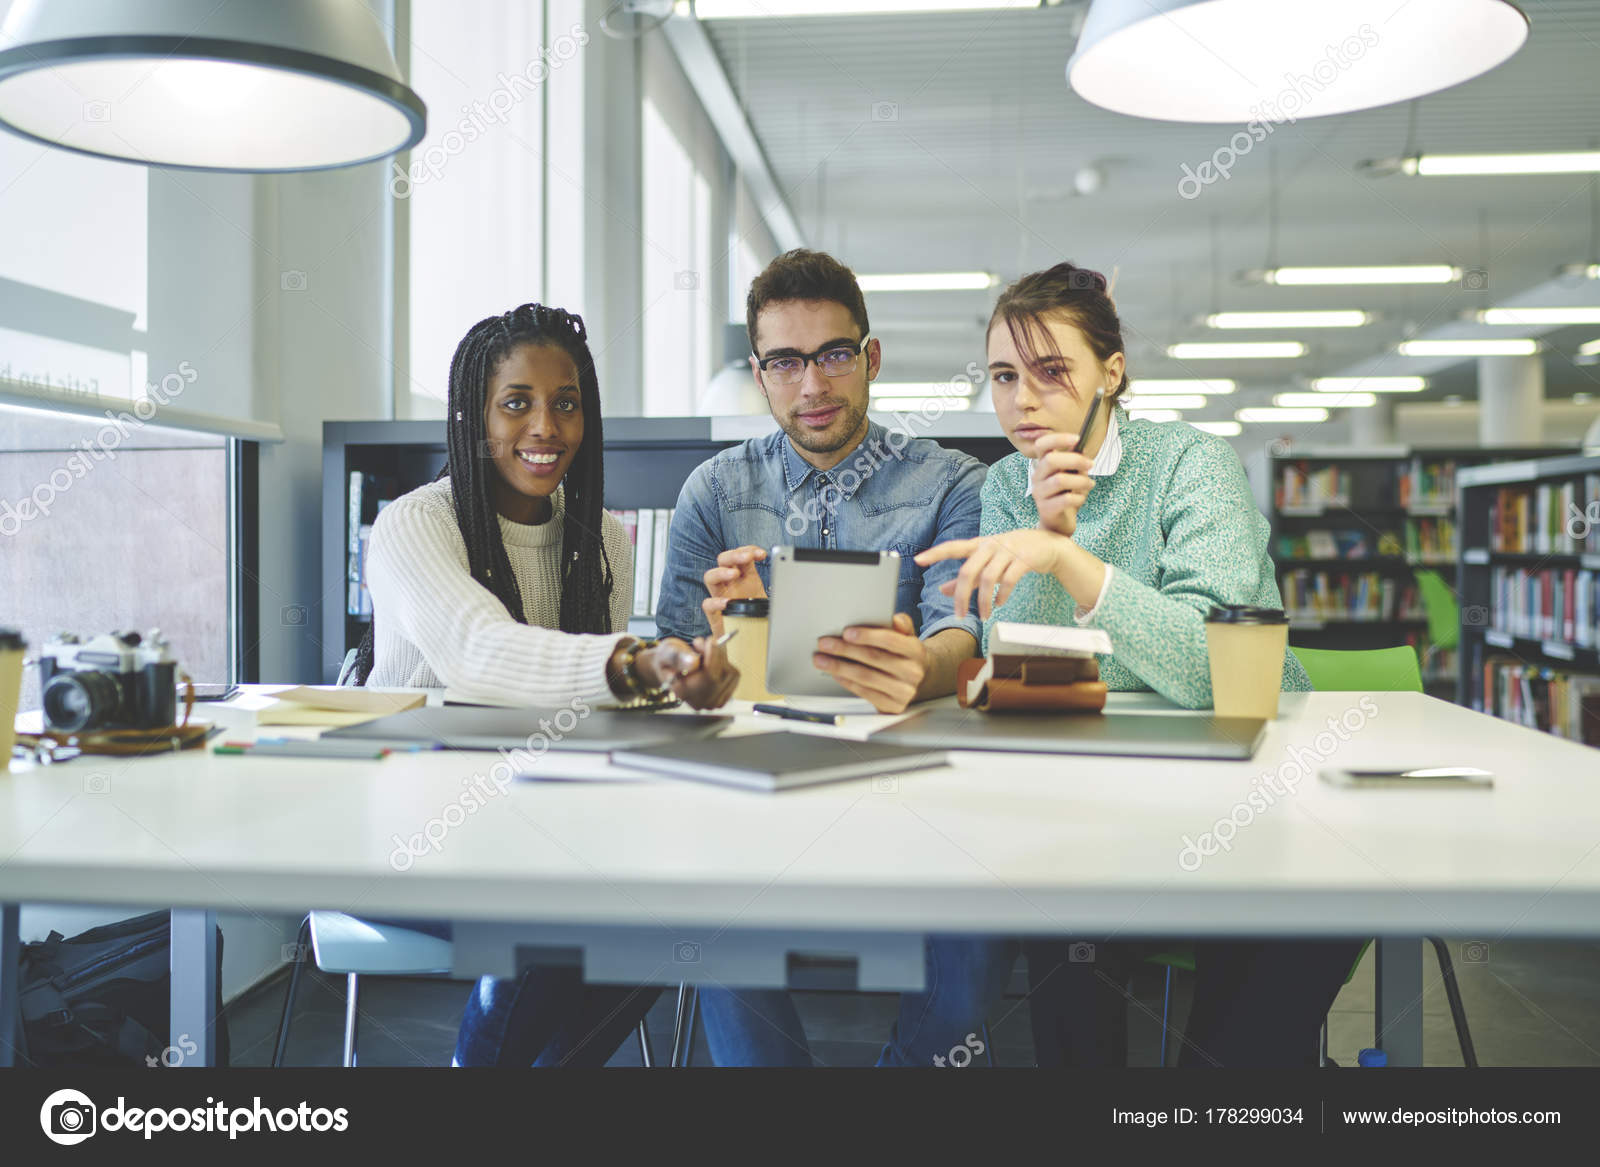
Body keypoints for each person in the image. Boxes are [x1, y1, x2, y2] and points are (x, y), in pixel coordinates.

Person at [915, 261, 1362, 1067]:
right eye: (1004, 375)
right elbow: (1024, 679)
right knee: (1059, 912)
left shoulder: (1194, 463)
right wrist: (1048, 539)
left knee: (1240, 1032)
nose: (1021, 399)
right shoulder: (1005, 488)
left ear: (1111, 374)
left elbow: (1212, 669)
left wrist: (1064, 556)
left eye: (1052, 372)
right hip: (1096, 807)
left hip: (1257, 805)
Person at [358, 302, 738, 1066]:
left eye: (566, 403)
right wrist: (637, 664)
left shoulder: (598, 537)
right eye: (516, 403)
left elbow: (588, 702)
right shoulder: (413, 523)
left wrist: (688, 677)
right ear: (473, 415)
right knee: (561, 919)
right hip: (403, 829)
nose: (546, 426)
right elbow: (478, 651)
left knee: (681, 912)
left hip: (542, 819)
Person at [653, 249, 995, 1066]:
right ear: (762, 373)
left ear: (870, 358)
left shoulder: (954, 482)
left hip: (917, 790)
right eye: (786, 362)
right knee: (714, 906)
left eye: (835, 355)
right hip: (753, 790)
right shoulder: (713, 490)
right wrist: (714, 644)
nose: (813, 385)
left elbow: (965, 632)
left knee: (978, 944)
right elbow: (672, 656)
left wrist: (926, 665)